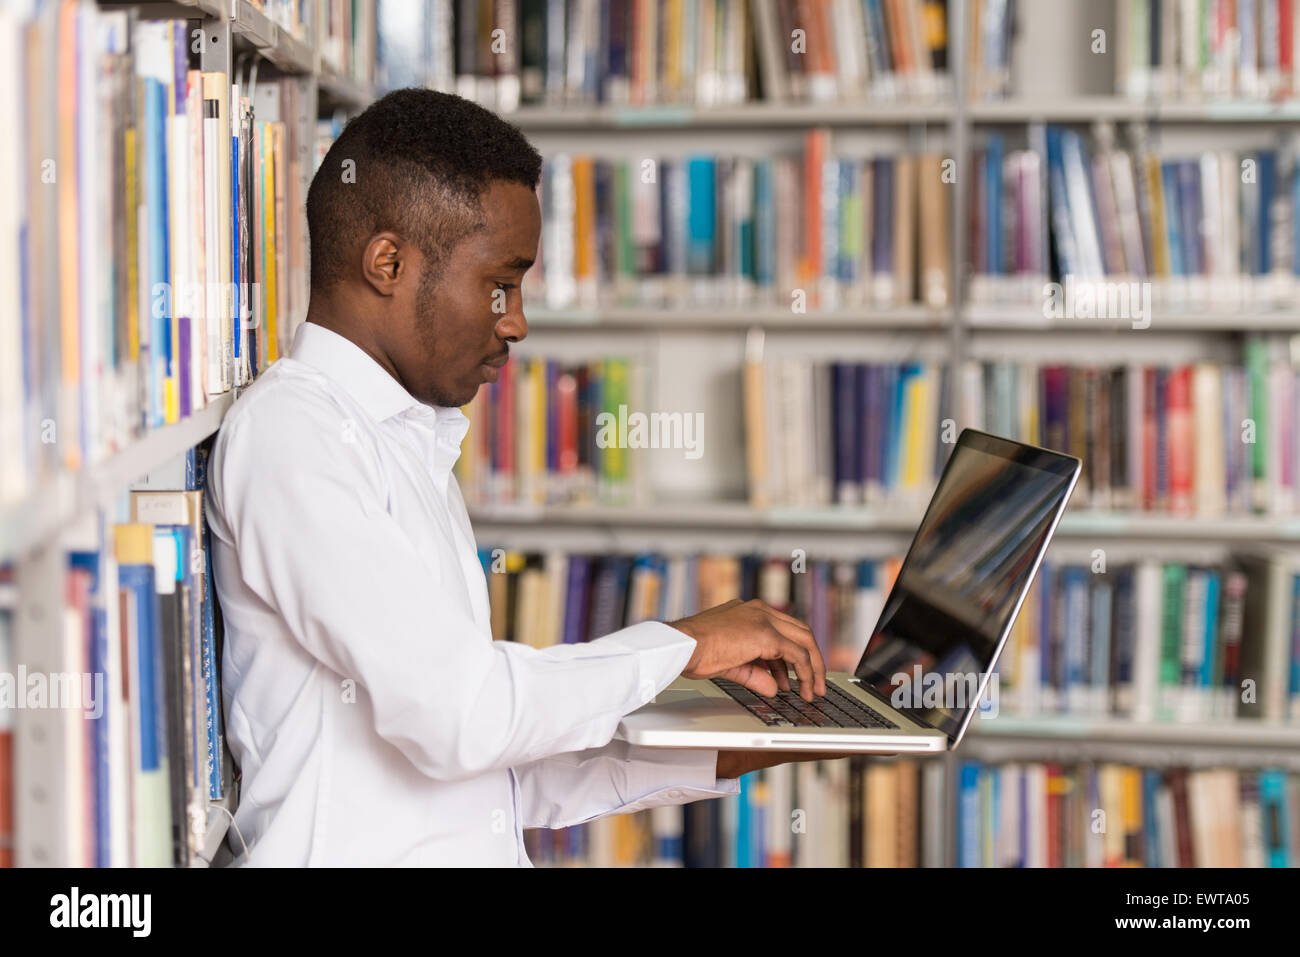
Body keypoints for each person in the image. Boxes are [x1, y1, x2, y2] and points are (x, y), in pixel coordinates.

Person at [206, 89, 845, 867]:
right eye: (501, 283)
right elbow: (460, 714)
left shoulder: (408, 440)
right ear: (388, 263)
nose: (517, 321)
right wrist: (680, 646)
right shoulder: (294, 436)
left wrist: (724, 743)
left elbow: (489, 771)